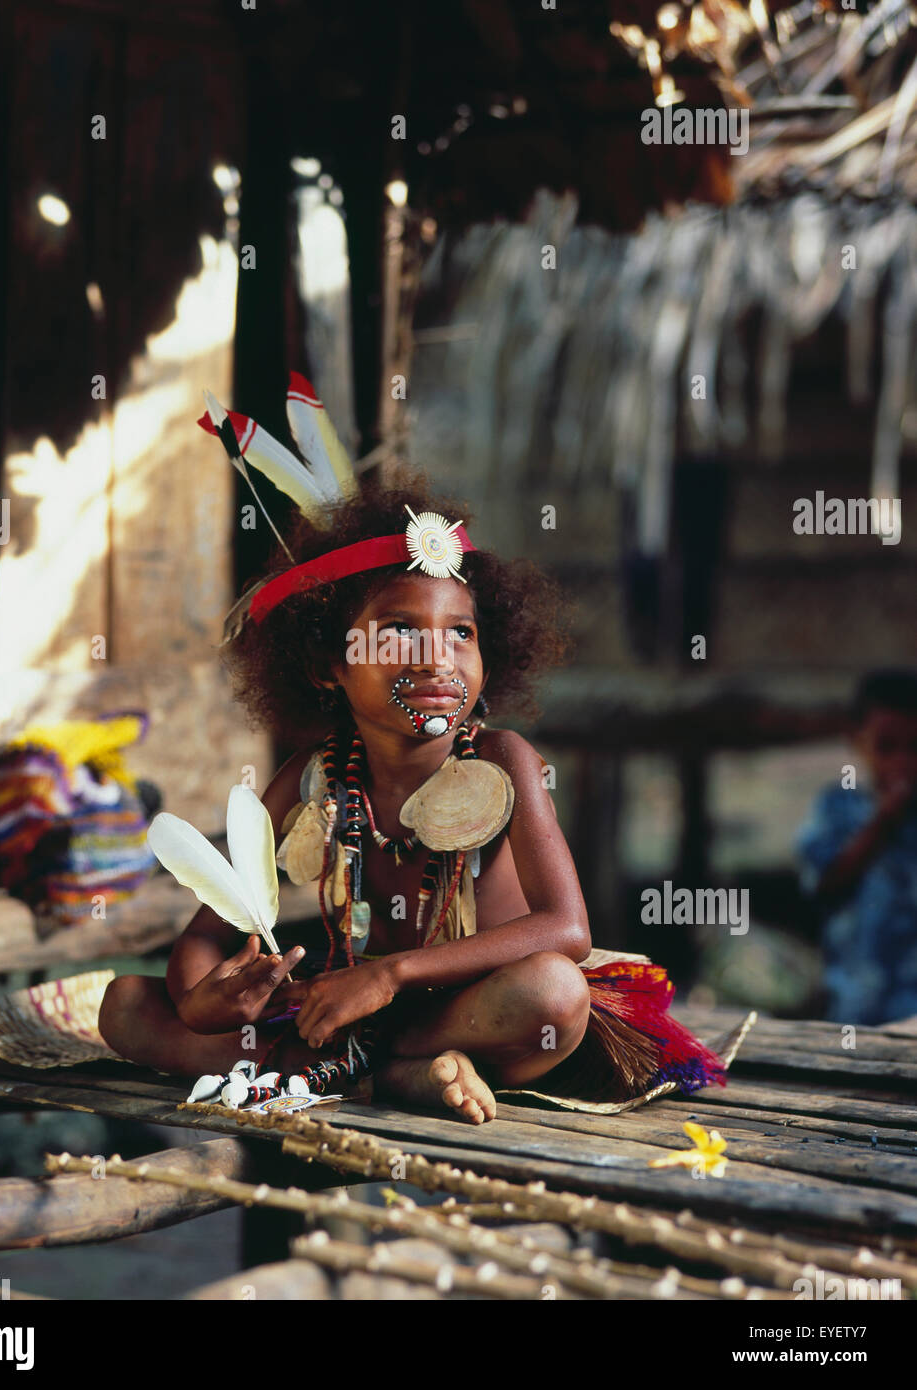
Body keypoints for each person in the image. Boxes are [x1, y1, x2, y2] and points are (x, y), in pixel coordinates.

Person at [99, 376, 724, 1122]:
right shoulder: (311, 781)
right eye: (399, 630)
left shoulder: (504, 759)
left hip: (471, 1011)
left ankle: (371, 1065)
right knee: (125, 1006)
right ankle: (383, 1071)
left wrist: (389, 975)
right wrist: (205, 1000)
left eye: (461, 633)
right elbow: (203, 938)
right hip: (341, 1010)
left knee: (554, 991)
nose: (439, 659)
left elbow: (567, 929)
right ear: (328, 665)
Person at [796, 669, 917, 1026]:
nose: (902, 763)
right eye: (886, 747)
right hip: (855, 1007)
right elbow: (824, 882)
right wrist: (882, 824)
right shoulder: (837, 808)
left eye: (915, 748)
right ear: (856, 740)